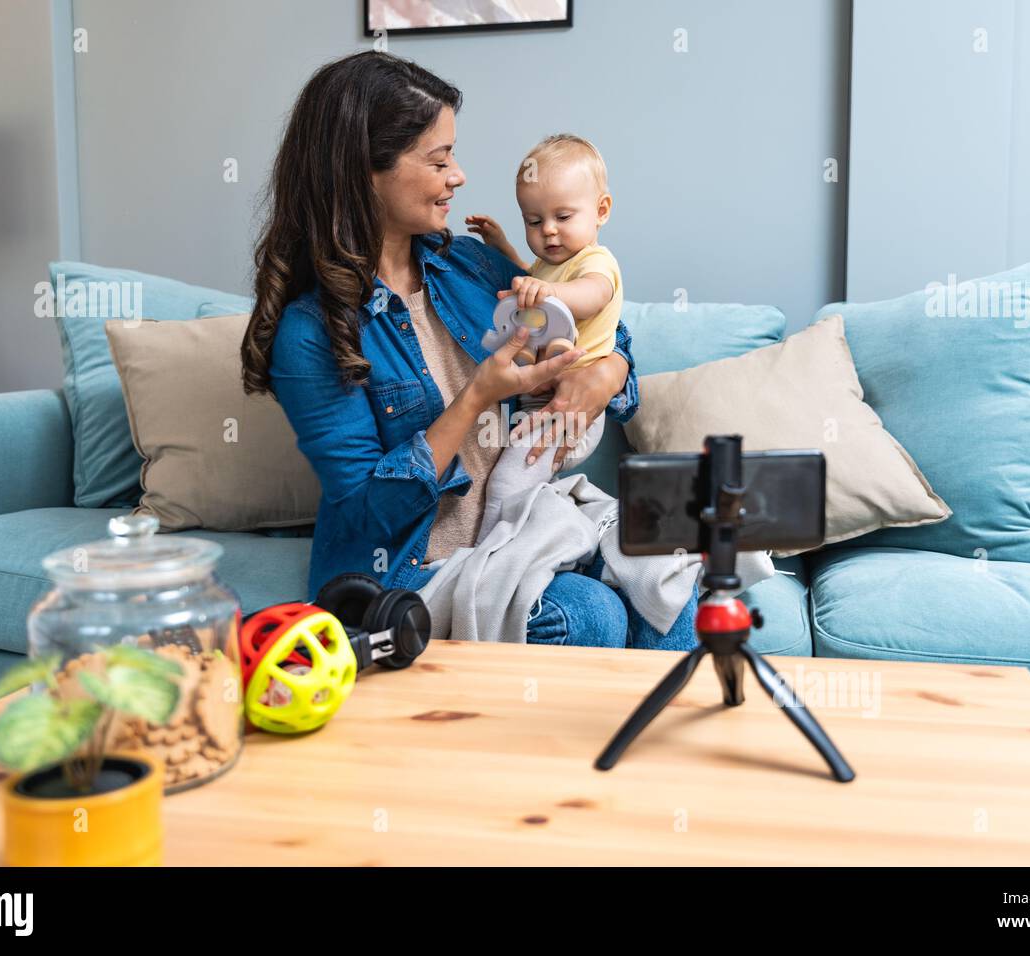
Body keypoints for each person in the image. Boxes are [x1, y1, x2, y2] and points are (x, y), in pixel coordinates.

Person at [240, 51, 697, 650]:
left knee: (672, 584)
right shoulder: (313, 331)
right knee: (589, 614)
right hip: (410, 569)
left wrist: (607, 375)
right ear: (363, 172)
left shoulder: (468, 266)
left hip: (521, 530)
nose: (458, 175)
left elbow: (600, 329)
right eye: (439, 159)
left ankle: (648, 747)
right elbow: (365, 514)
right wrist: (479, 393)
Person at [465, 133, 622, 542]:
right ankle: (549, 534)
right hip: (536, 396)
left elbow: (592, 296)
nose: (548, 232)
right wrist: (501, 247)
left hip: (571, 406)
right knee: (521, 481)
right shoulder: (548, 265)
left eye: (563, 217)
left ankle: (486, 557)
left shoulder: (596, 263)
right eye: (534, 222)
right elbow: (532, 279)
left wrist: (550, 293)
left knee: (507, 482)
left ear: (601, 210)